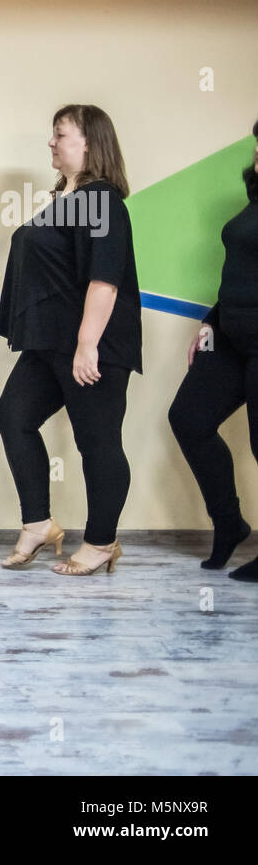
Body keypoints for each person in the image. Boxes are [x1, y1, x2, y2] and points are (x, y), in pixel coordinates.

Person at [0, 104, 141, 575]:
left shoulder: (100, 200)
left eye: (60, 134)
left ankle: (101, 542)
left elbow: (105, 280)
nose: (51, 143)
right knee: (13, 416)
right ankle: (39, 523)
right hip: (50, 343)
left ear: (90, 144)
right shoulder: (68, 199)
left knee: (97, 442)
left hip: (89, 345)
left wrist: (86, 345)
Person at [168, 118, 258, 582]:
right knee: (189, 419)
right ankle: (230, 523)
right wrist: (209, 322)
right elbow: (241, 273)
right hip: (229, 335)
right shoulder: (253, 203)